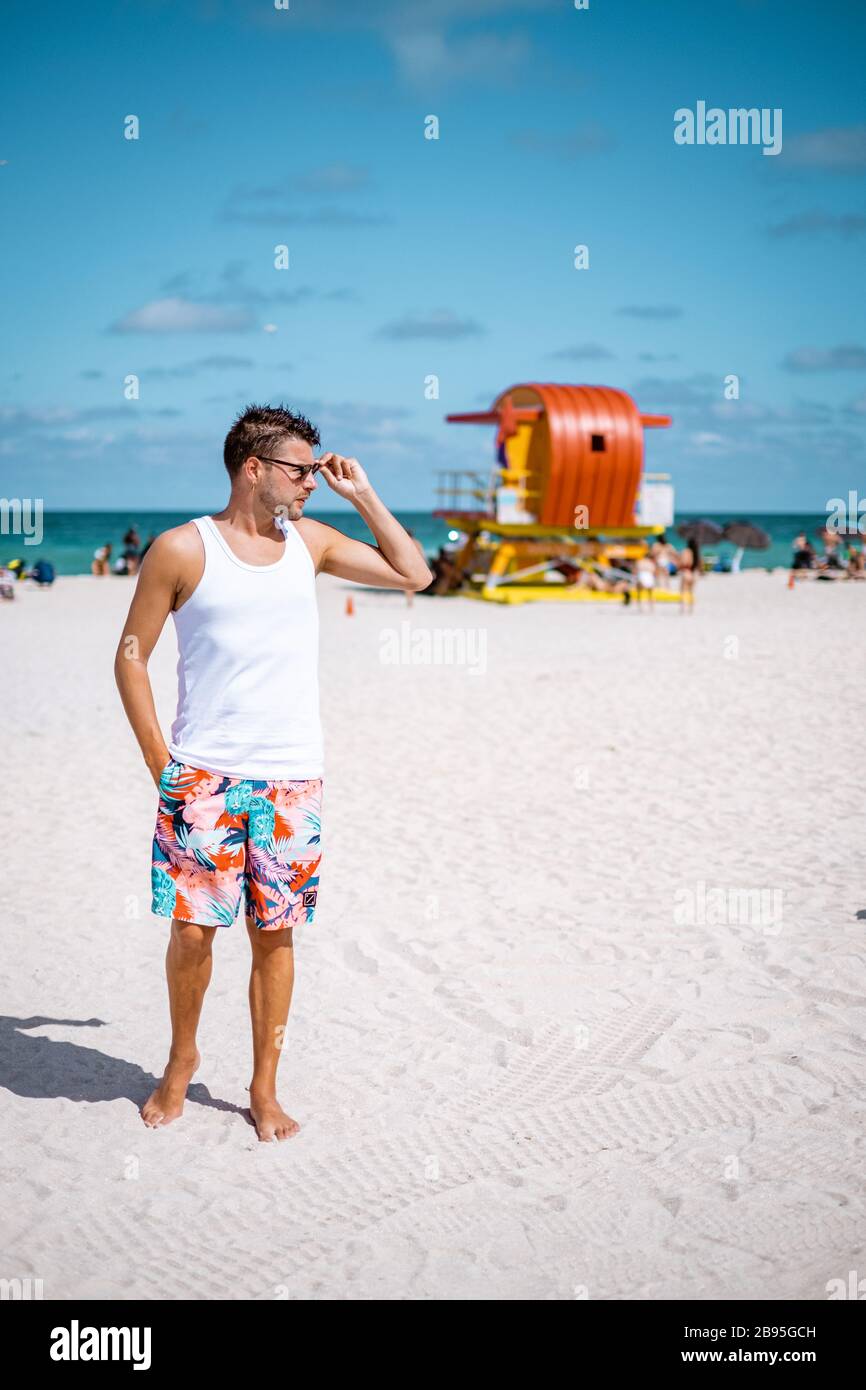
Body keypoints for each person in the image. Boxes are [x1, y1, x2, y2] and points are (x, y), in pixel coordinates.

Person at [113, 404, 432, 1142]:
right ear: (252, 469)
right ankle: (181, 1060)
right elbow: (131, 658)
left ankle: (263, 1086)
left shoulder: (311, 545)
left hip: (291, 780)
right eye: (301, 470)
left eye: (318, 471)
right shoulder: (181, 550)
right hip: (202, 776)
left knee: (275, 936)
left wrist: (364, 495)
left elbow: (414, 574)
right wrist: (164, 766)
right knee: (193, 934)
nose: (311, 483)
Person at [677, 542, 697, 613]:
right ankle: (690, 610)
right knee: (691, 592)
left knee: (683, 592)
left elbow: (684, 563)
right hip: (694, 574)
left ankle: (683, 610)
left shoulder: (687, 551)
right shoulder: (695, 552)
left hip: (686, 572)